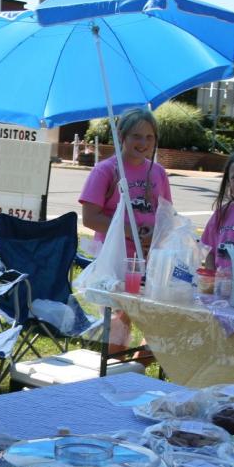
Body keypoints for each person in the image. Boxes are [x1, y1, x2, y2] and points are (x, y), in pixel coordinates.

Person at [78, 108, 172, 355]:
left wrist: (157, 234)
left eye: (149, 137)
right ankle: (112, 372)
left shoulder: (158, 173)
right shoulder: (106, 170)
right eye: (136, 136)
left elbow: (166, 215)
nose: (143, 143)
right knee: (121, 320)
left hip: (150, 261)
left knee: (161, 324)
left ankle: (134, 368)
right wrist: (127, 232)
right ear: (122, 136)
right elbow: (90, 217)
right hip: (115, 261)